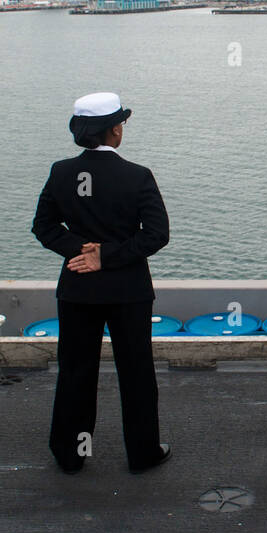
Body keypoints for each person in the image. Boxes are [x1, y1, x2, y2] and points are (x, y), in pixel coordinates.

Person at [31, 92, 171, 474]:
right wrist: (106, 256)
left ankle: (71, 453)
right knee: (136, 372)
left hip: (77, 286)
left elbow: (42, 227)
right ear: (115, 130)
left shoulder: (61, 172)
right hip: (128, 291)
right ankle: (143, 453)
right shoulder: (137, 176)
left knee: (76, 370)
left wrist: (80, 250)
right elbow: (157, 235)